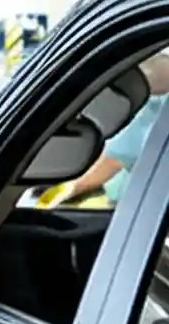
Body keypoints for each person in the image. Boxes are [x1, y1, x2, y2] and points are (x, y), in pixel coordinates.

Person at [39, 53, 169, 208]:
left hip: (143, 210)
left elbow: (114, 160)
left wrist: (66, 191)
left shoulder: (156, 107)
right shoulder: (153, 105)